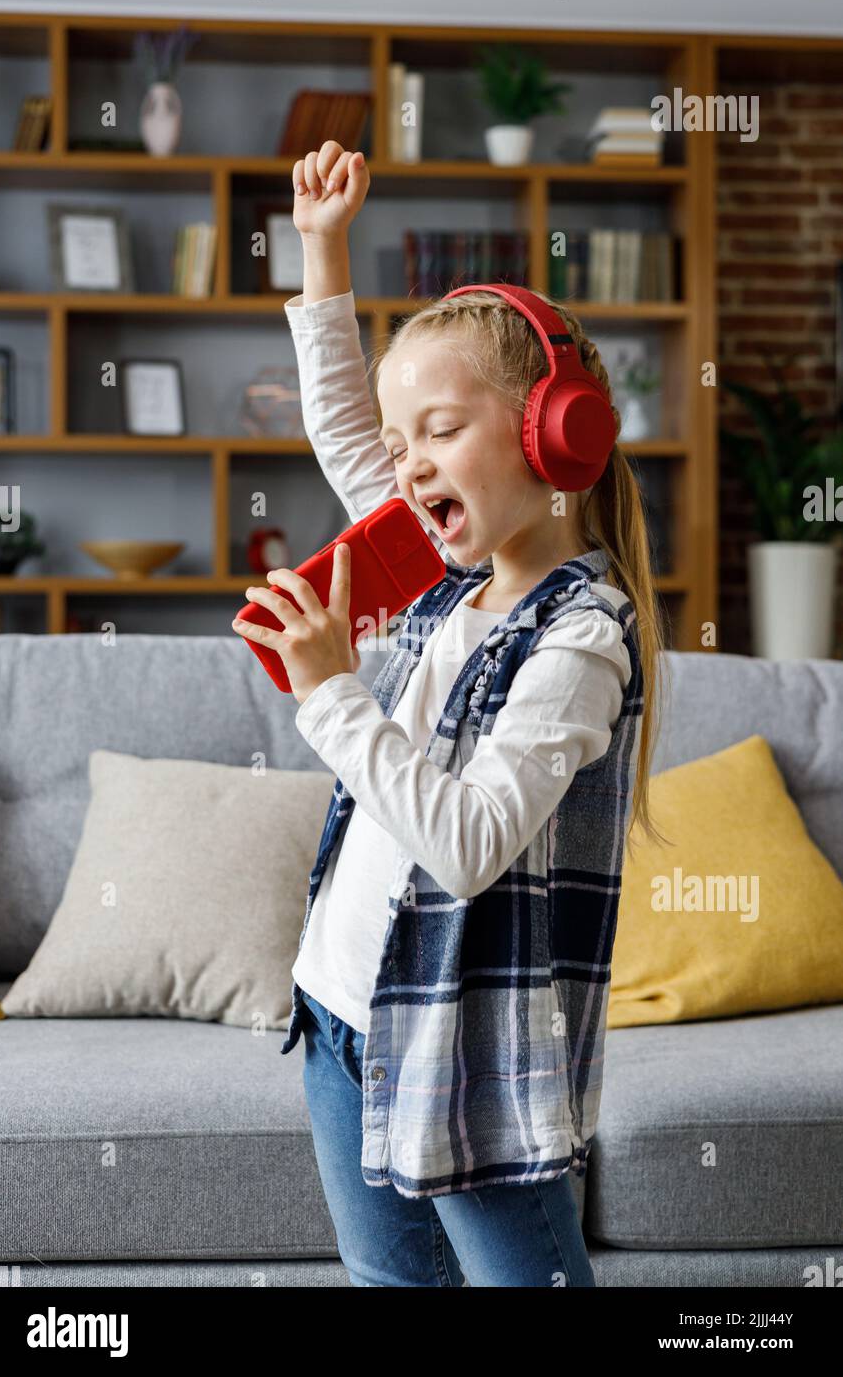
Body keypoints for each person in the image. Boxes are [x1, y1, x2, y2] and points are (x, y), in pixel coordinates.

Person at [232, 141, 670, 1287]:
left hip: (466, 1055)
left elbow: (470, 841)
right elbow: (344, 425)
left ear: (551, 433)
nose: (405, 463)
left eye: (438, 430)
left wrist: (330, 692)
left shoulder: (580, 640)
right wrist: (322, 249)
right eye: (400, 445)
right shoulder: (442, 567)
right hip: (337, 1009)